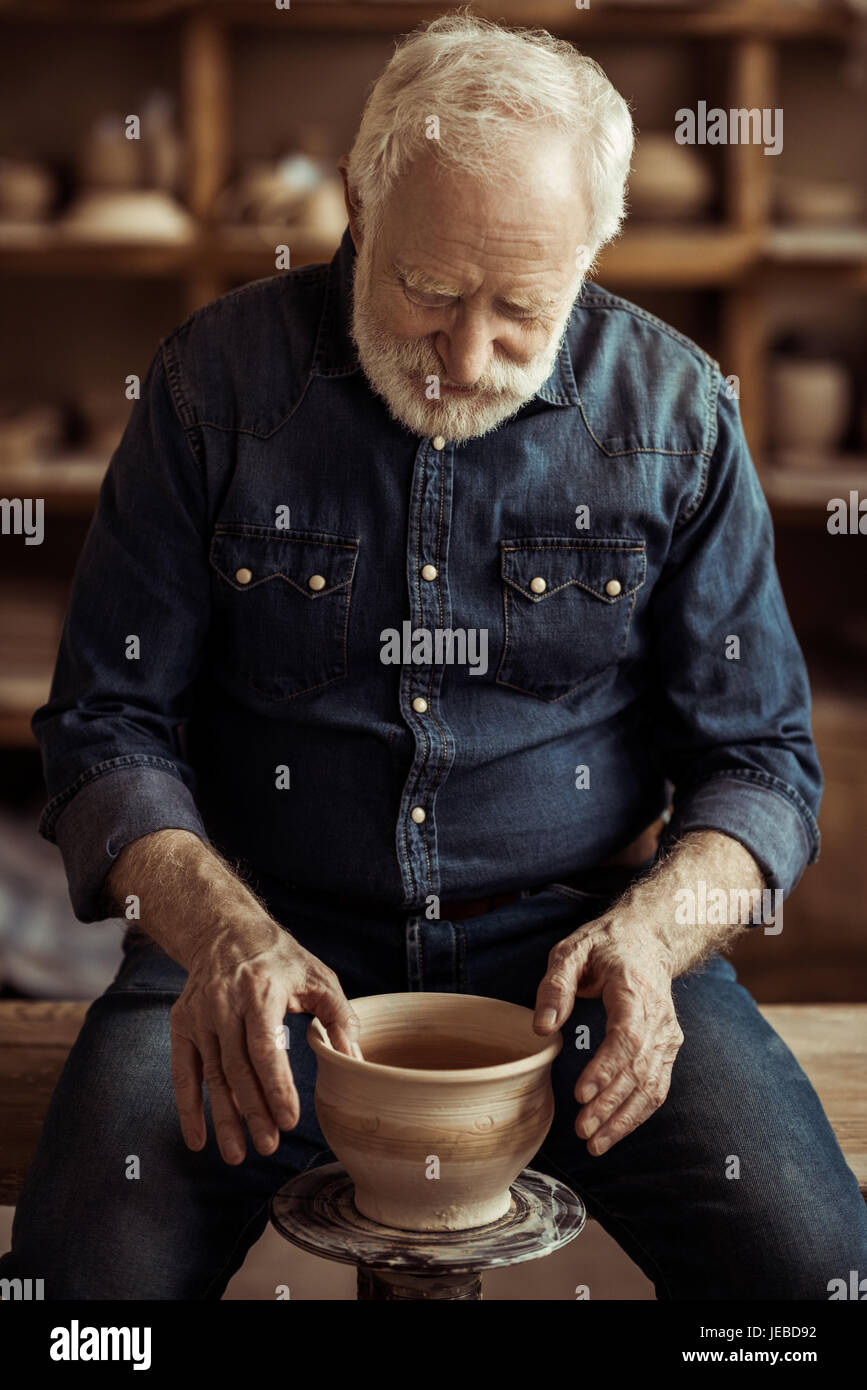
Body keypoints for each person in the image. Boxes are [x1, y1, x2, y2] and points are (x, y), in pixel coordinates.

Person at [3, 12, 865, 1300]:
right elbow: (103, 727)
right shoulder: (211, 387)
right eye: (429, 291)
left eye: (524, 309)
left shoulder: (678, 415)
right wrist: (222, 934)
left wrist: (652, 937)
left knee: (819, 1286)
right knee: (83, 1315)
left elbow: (762, 763)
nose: (468, 360)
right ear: (357, 201)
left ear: (594, 251)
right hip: (256, 954)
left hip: (575, 964)